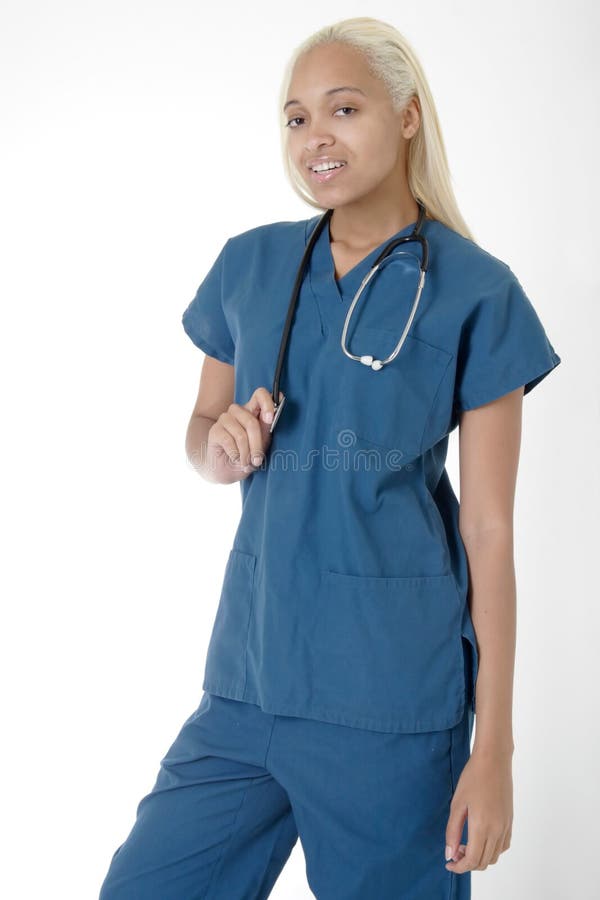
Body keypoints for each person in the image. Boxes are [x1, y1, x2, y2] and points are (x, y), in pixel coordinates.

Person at [98, 16, 561, 900]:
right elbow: (202, 434)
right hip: (247, 683)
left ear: (408, 116)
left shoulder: (476, 291)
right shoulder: (252, 266)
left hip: (390, 705)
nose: (316, 137)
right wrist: (221, 447)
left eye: (343, 109)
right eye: (296, 117)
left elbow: (490, 527)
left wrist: (494, 748)